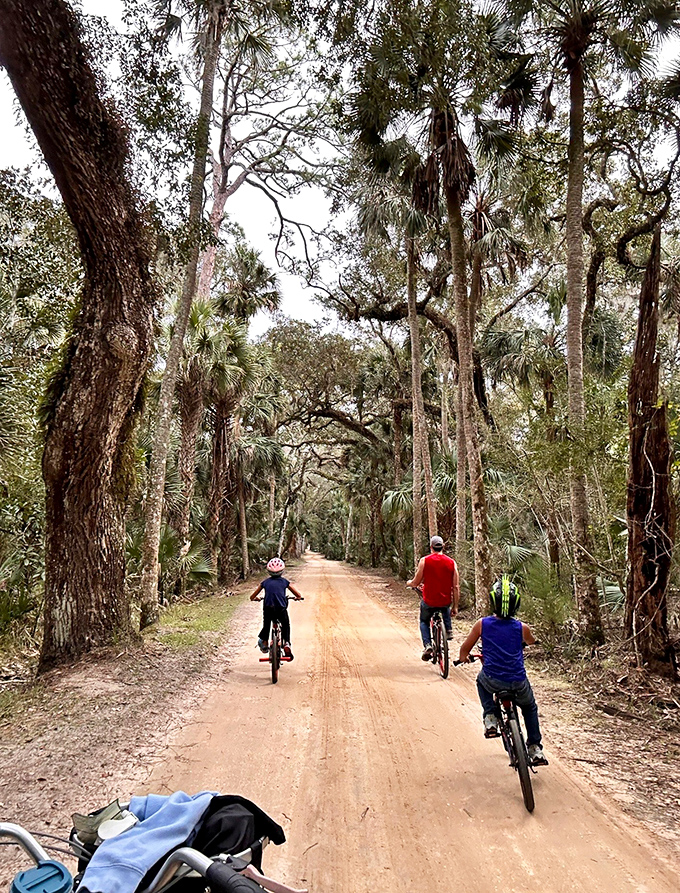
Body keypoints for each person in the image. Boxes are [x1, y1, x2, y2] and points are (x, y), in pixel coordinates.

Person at [458, 574, 548, 766]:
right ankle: (534, 748)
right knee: (530, 708)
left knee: (480, 682)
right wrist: (528, 642)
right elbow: (531, 642)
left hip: (492, 679)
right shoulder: (522, 627)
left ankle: (490, 715)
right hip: (518, 682)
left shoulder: (482, 625)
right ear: (516, 604)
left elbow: (464, 649)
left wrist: (464, 657)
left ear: (492, 602)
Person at [407, 535, 459, 661]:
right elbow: (456, 586)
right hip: (445, 601)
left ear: (431, 547)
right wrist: (455, 606)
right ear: (443, 546)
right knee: (445, 606)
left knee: (424, 621)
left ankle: (428, 645)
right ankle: (448, 629)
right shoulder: (452, 563)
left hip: (429, 600)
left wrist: (409, 583)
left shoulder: (424, 561)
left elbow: (416, 582)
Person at [250, 557, 303, 660]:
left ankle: (264, 642)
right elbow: (298, 594)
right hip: (281, 609)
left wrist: (255, 598)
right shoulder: (285, 582)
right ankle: (286, 642)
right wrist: (298, 597)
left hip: (268, 608)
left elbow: (252, 596)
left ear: (269, 571)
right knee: (285, 624)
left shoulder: (265, 582)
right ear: (282, 571)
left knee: (266, 625)